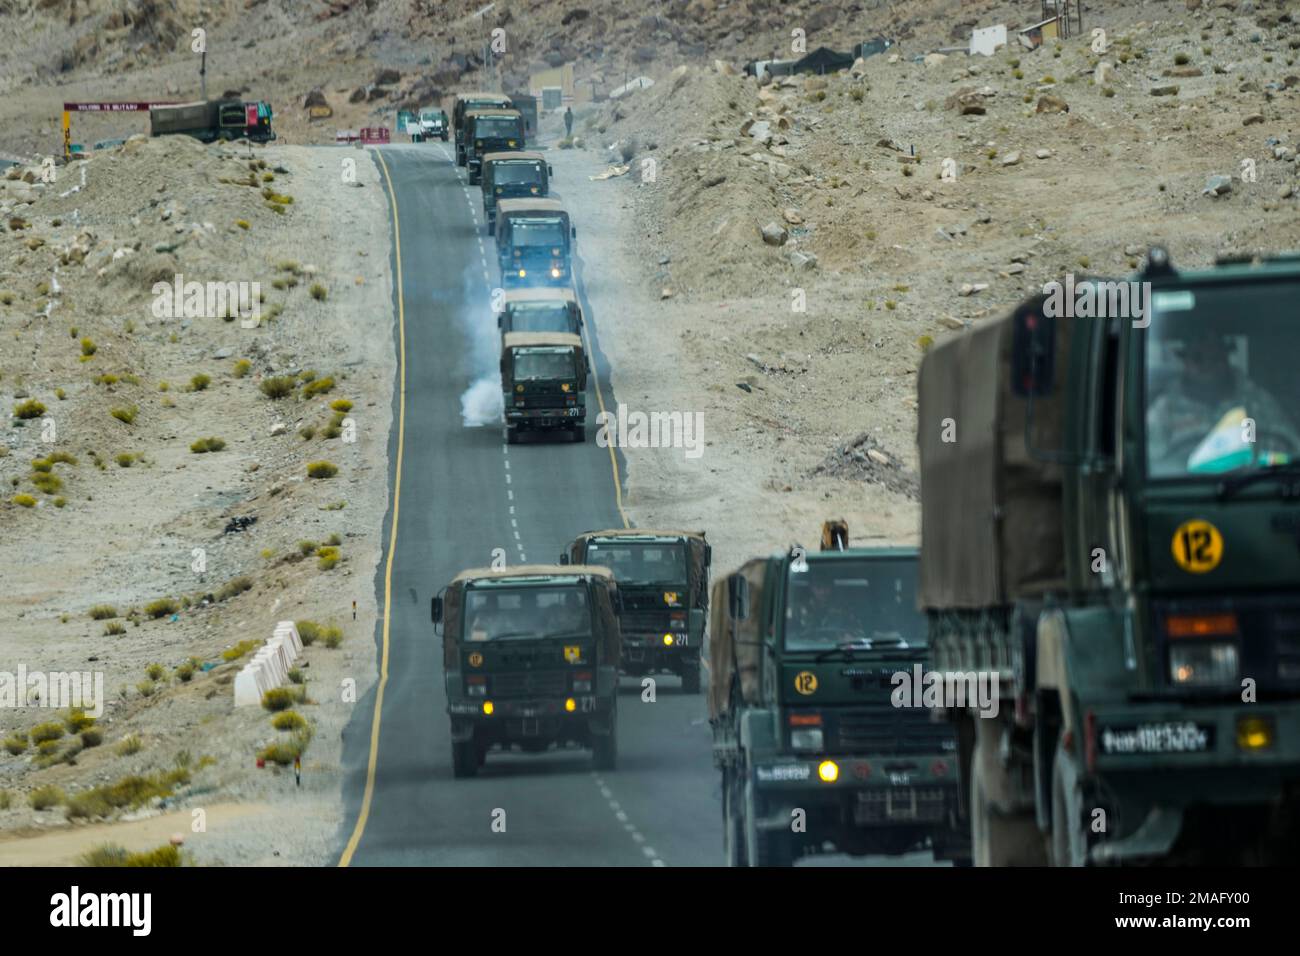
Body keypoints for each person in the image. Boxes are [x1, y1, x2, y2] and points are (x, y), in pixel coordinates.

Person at [1147, 326, 1300, 477]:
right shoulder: (1164, 412)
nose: (1207, 365)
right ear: (1185, 362)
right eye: (1198, 358)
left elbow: (1289, 454)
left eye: (1215, 358)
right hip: (1187, 496)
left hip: (1253, 493)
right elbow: (1152, 467)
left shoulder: (1258, 403)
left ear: (1226, 358)